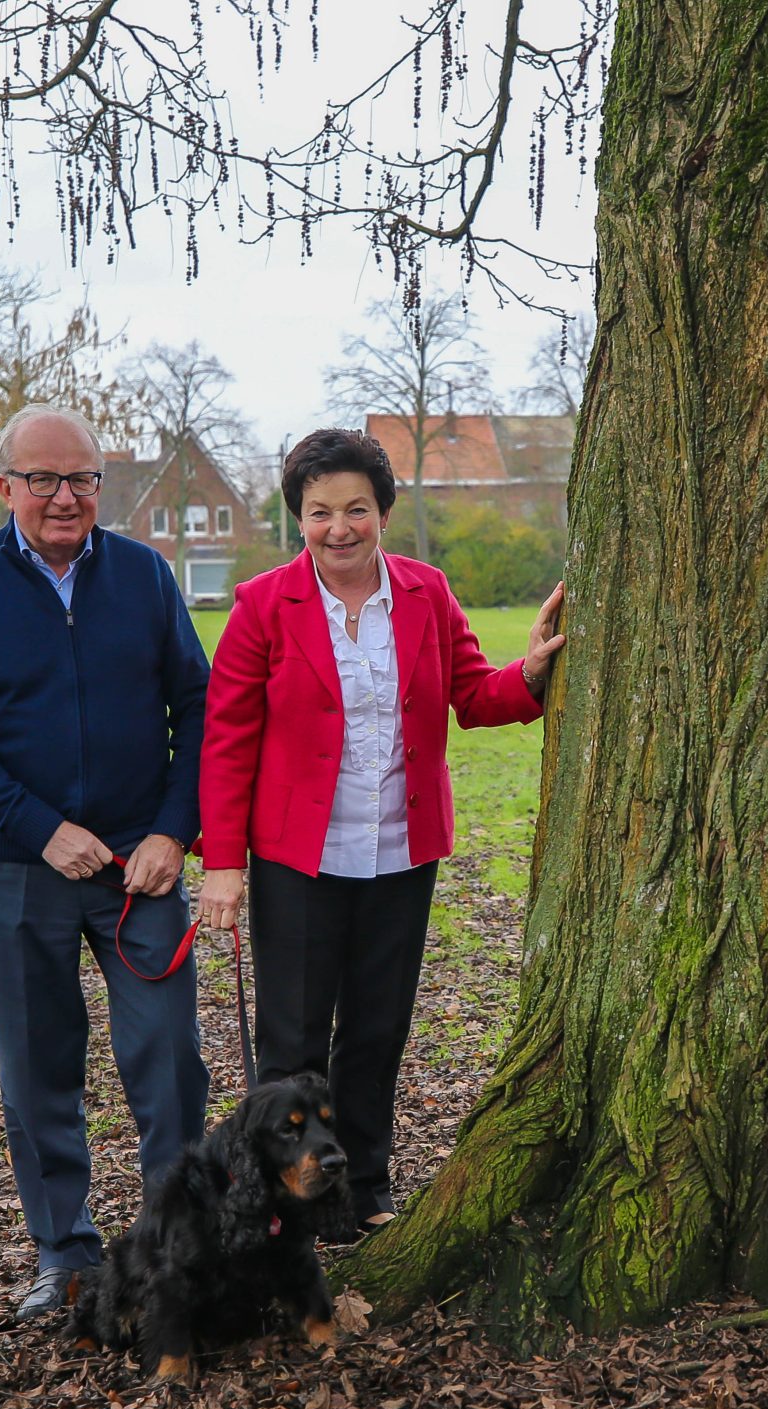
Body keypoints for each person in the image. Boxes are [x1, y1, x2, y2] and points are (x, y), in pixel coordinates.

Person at [196, 428, 565, 1233]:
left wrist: (531, 672)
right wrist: (222, 862)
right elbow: (225, 741)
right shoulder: (263, 605)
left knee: (377, 1028)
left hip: (401, 851)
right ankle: (296, 1198)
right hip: (301, 859)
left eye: (356, 509)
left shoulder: (427, 593)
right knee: (293, 1040)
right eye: (320, 511)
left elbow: (473, 694)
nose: (339, 527)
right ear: (299, 516)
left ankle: (364, 1184)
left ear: (385, 513)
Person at [0, 404, 213, 1322]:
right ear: (4, 485)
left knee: (167, 1056)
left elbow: (200, 710)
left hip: (140, 869)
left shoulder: (145, 576)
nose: (64, 496)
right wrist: (40, 827)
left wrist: (174, 830)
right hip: (19, 867)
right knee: (37, 1065)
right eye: (42, 479)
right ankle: (67, 1254)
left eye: (82, 478)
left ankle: (175, 1248)